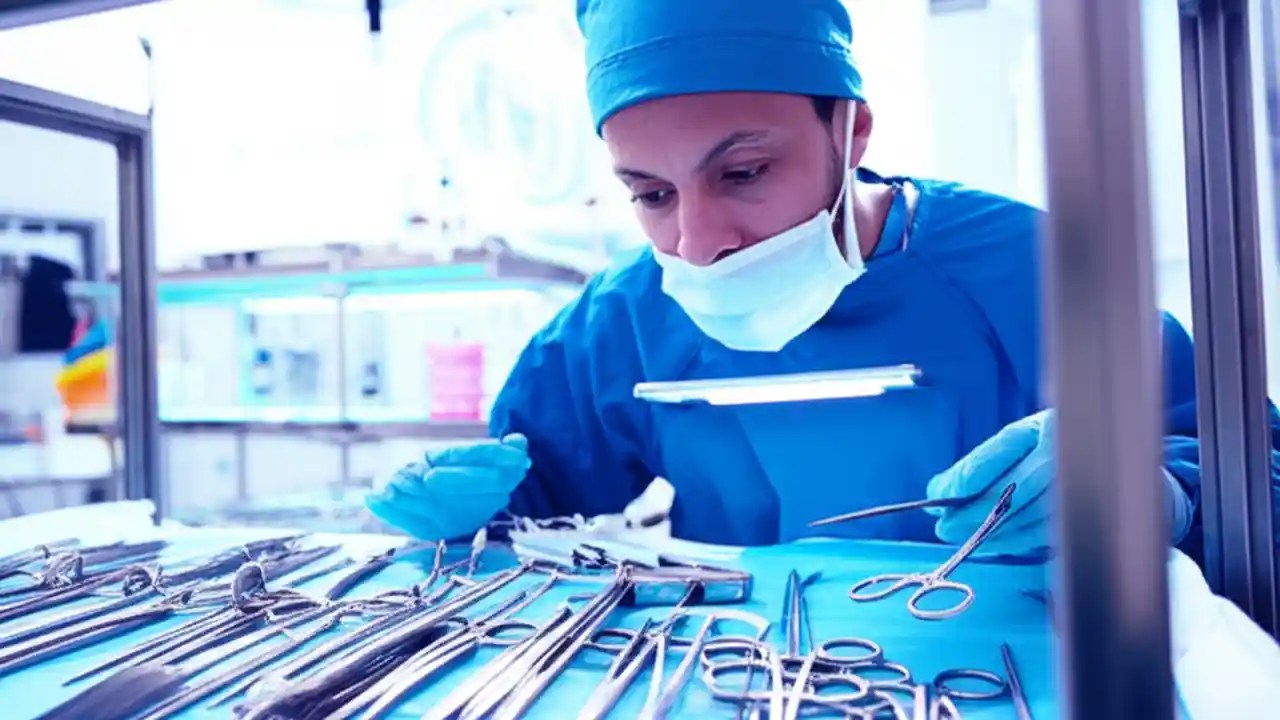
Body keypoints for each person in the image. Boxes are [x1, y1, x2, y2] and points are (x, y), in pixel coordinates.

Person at [367, 0, 1209, 556]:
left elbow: (1252, 482)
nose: (698, 245)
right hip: (737, 671)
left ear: (853, 133)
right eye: (653, 195)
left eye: (742, 173)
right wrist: (468, 511)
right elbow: (536, 487)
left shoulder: (1037, 270)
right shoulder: (621, 319)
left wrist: (1159, 494)